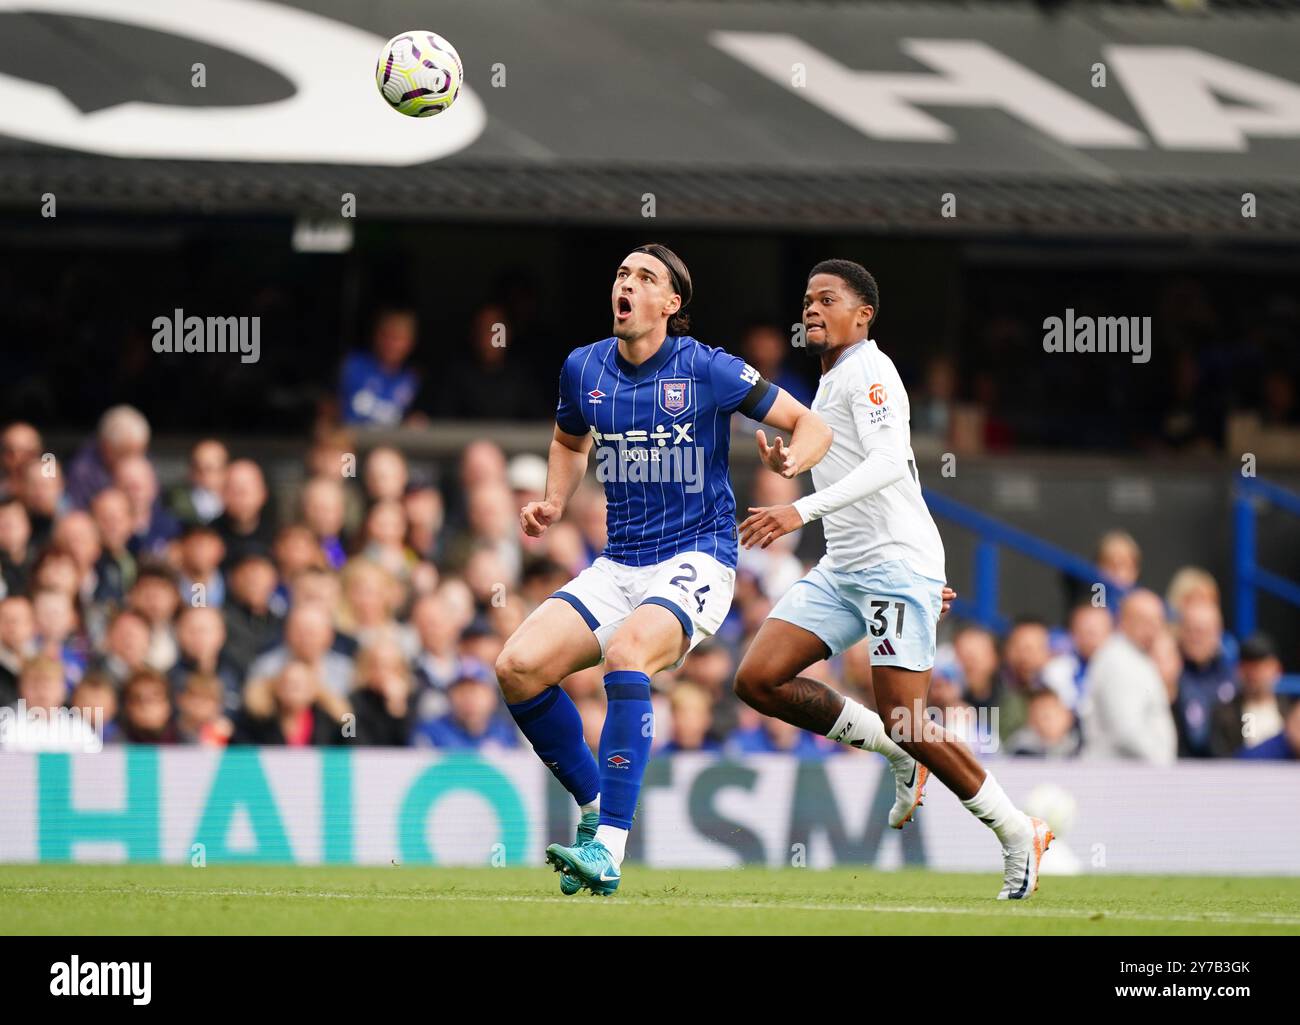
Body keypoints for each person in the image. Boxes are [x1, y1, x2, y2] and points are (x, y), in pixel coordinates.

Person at [494, 243, 831, 896]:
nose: (626, 283)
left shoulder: (707, 368)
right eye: (621, 273)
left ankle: (611, 849)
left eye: (644, 277)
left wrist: (793, 460)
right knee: (516, 667)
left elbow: (809, 422)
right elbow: (569, 439)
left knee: (626, 654)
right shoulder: (583, 367)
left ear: (671, 303)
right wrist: (554, 500)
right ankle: (596, 808)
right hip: (618, 563)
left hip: (697, 557)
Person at [731, 258, 1049, 901]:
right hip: (845, 567)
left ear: (863, 315)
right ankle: (896, 754)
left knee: (908, 717)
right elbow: (844, 458)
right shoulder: (828, 384)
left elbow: (885, 464)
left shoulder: (871, 370)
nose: (811, 309)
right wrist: (791, 465)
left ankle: (1019, 831)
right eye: (807, 300)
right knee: (758, 679)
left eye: (827, 299)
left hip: (895, 563)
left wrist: (800, 509)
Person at [1077, 589, 1177, 764]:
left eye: (1157, 620)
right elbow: (1126, 728)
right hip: (1117, 778)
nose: (1153, 628)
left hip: (1134, 775)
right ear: (1124, 621)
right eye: (1145, 621)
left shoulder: (1136, 656)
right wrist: (1161, 761)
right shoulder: (1117, 660)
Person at [339, 307, 421, 427]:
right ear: (376, 336)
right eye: (386, 336)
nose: (391, 344)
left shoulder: (412, 379)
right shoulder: (352, 366)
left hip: (390, 443)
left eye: (398, 338)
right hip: (348, 441)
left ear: (410, 342)